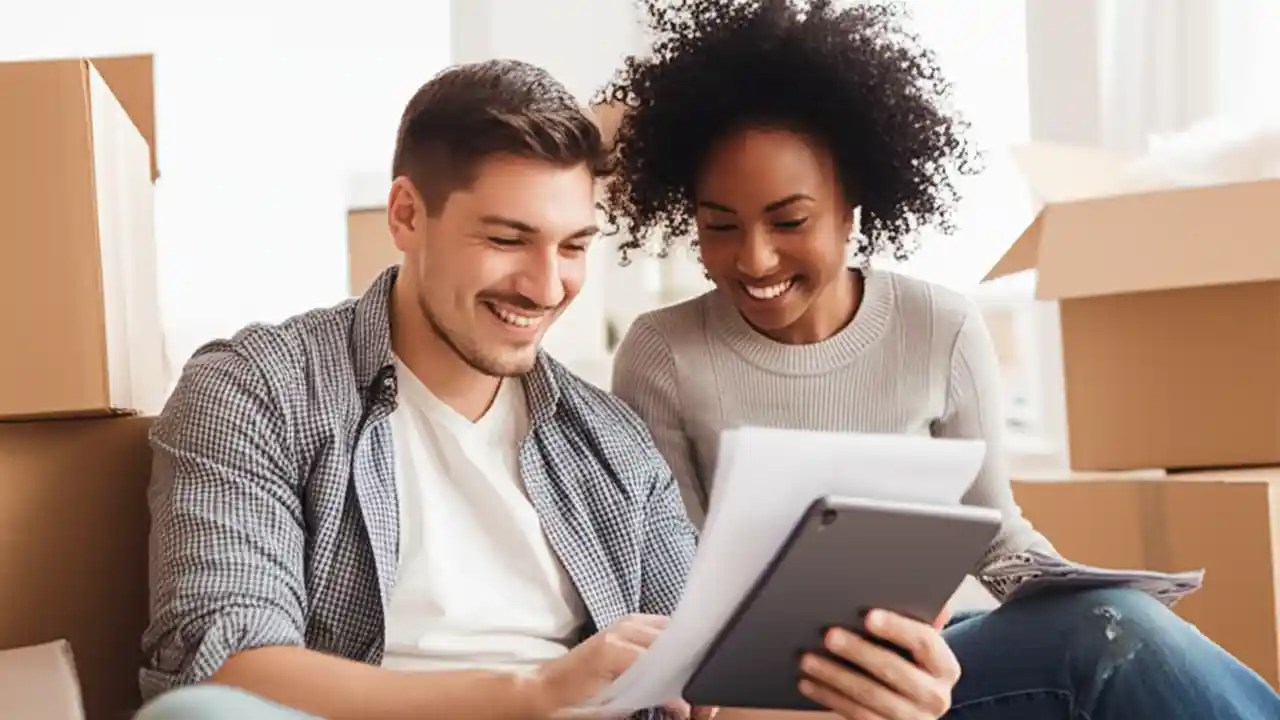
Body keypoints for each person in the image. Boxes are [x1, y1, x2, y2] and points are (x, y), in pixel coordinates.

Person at [605, 1, 1280, 718]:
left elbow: (992, 531)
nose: (755, 257)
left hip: (928, 661)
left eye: (790, 220)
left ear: (852, 202)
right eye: (720, 227)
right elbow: (673, 584)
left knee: (1117, 626)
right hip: (758, 691)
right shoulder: (663, 355)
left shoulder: (941, 325)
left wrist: (1086, 588)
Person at [134, 59, 710, 720]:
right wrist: (534, 693)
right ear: (407, 215)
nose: (547, 288)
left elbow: (708, 673)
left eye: (573, 246)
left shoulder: (611, 441)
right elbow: (226, 669)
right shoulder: (258, 389)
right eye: (506, 239)